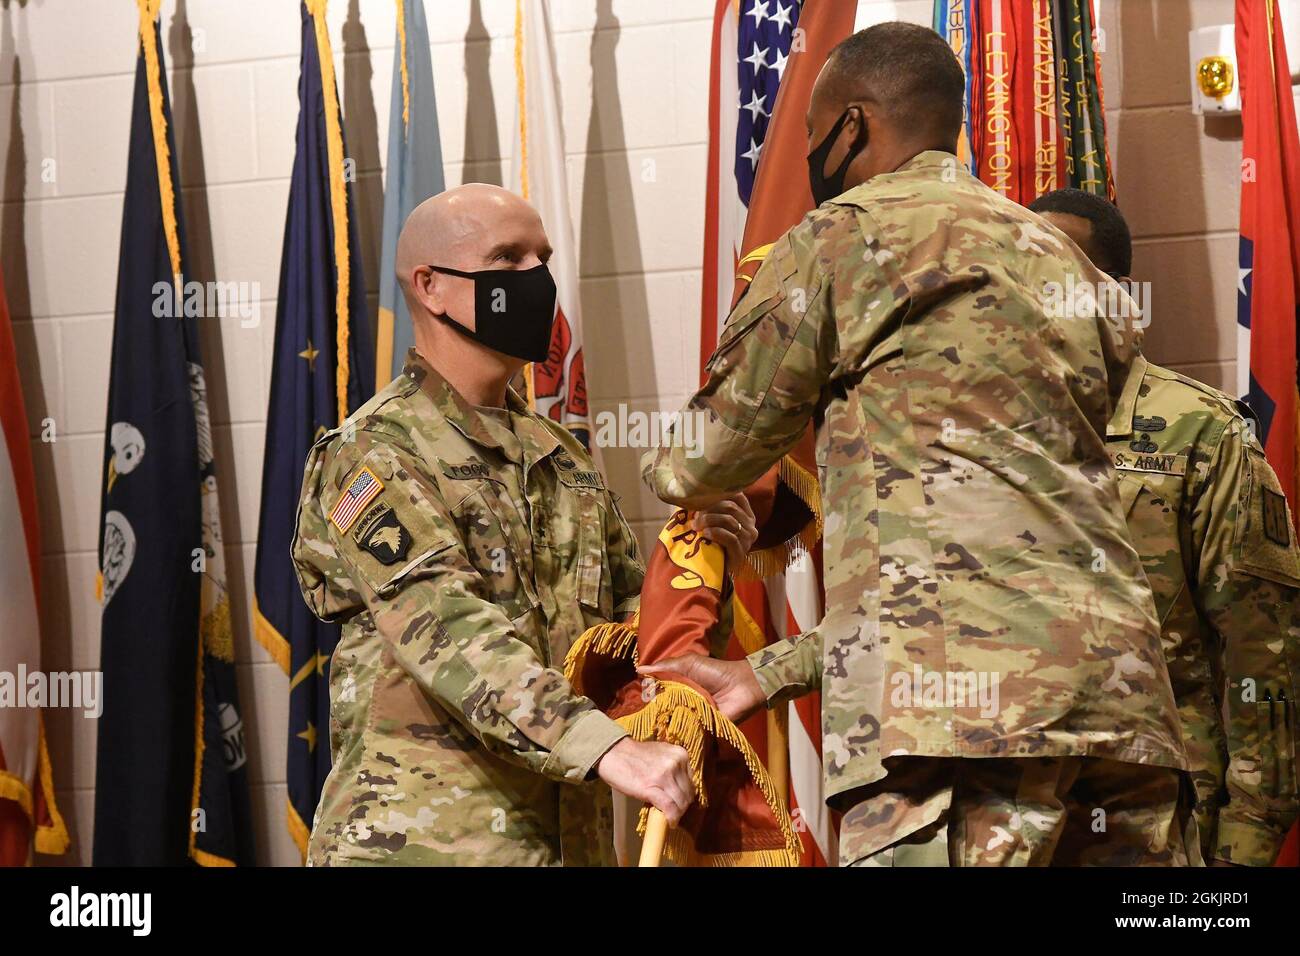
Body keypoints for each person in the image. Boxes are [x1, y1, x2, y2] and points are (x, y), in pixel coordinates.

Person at [640, 22, 1196, 866]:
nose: (809, 160)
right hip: (1123, 717)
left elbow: (706, 457)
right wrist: (771, 671)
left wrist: (660, 466)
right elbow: (1005, 548)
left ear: (851, 127)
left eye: (811, 137)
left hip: (954, 732)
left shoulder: (840, 238)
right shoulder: (1066, 260)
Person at [291, 183, 757, 865]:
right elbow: (447, 631)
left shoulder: (559, 458)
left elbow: (631, 641)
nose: (535, 280)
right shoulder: (375, 454)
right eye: (507, 261)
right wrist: (607, 747)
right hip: (427, 846)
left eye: (541, 259)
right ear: (432, 287)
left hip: (568, 847)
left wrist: (697, 569)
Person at [1030, 187, 1300, 866]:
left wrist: (1245, 847)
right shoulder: (989, 432)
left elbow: (1264, 659)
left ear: (1116, 295)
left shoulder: (1199, 432)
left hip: (1164, 829)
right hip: (1018, 824)